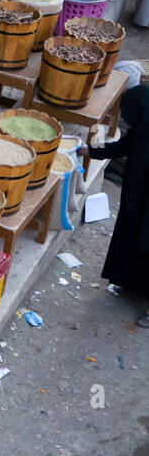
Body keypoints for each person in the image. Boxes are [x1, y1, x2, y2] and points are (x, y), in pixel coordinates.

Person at [80, 84, 149, 328]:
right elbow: (122, 147)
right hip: (137, 194)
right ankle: (129, 281)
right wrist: (87, 150)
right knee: (131, 234)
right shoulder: (143, 127)